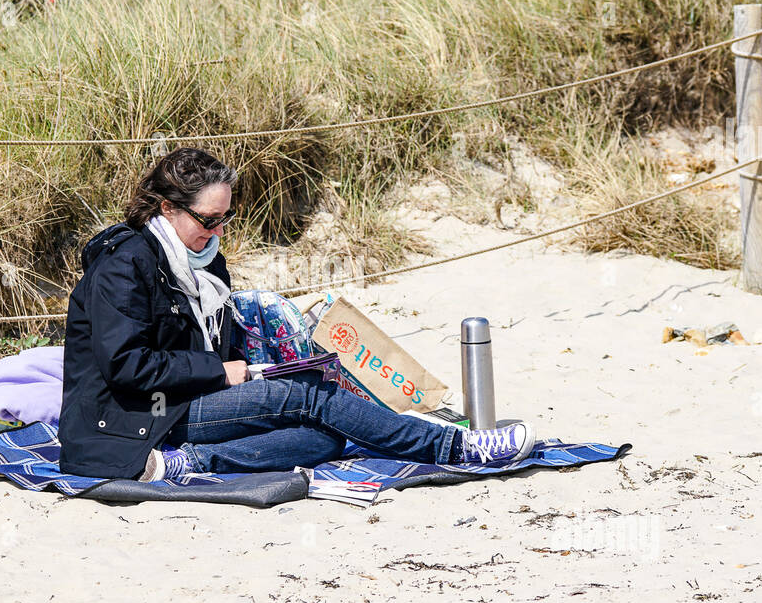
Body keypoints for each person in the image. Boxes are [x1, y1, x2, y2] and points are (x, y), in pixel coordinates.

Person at [59, 147, 534, 481]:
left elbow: (207, 341)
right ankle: (458, 448)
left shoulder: (203, 258)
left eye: (225, 218)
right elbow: (126, 366)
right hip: (138, 413)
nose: (218, 229)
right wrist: (219, 372)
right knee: (312, 397)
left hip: (184, 399)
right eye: (208, 219)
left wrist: (252, 370)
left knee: (323, 438)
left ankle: (190, 464)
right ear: (167, 208)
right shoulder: (124, 266)